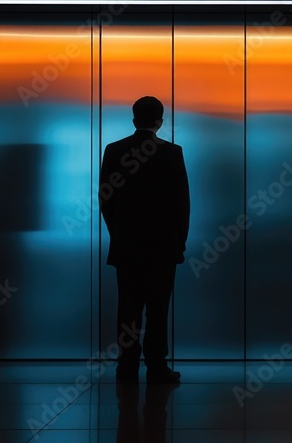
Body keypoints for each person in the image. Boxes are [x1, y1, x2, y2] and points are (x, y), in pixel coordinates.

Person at [101, 96, 190, 384]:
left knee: (128, 307)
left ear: (133, 119)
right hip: (162, 246)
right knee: (158, 309)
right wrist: (179, 242)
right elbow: (181, 204)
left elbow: (106, 200)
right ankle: (156, 366)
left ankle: (126, 367)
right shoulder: (172, 153)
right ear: (159, 121)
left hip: (127, 244)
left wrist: (118, 233)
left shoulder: (114, 150)